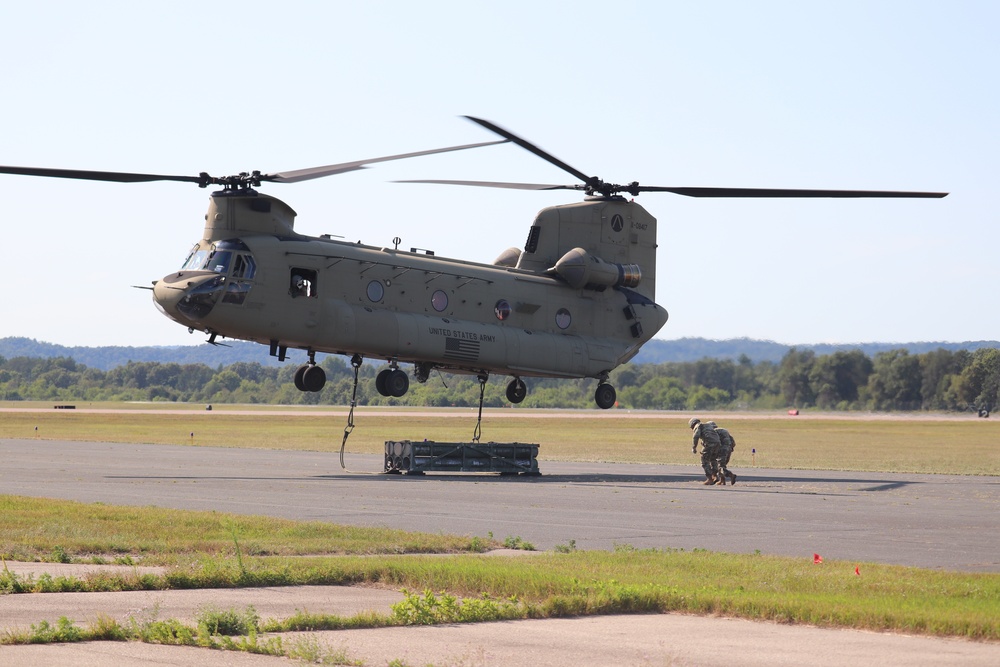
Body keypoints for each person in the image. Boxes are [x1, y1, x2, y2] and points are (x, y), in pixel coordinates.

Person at [689, 417, 722, 484]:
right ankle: (715, 476)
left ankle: (710, 479)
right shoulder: (708, 425)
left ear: (693, 424)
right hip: (717, 443)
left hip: (710, 443)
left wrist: (694, 447)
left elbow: (696, 436)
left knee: (704, 460)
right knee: (713, 459)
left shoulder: (698, 426)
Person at [707, 421, 738, 486]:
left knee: (720, 466)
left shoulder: (714, 432)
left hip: (722, 450)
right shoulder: (724, 430)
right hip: (729, 449)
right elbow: (733, 441)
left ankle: (731, 475)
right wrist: (730, 448)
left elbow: (715, 442)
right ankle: (722, 481)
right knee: (722, 465)